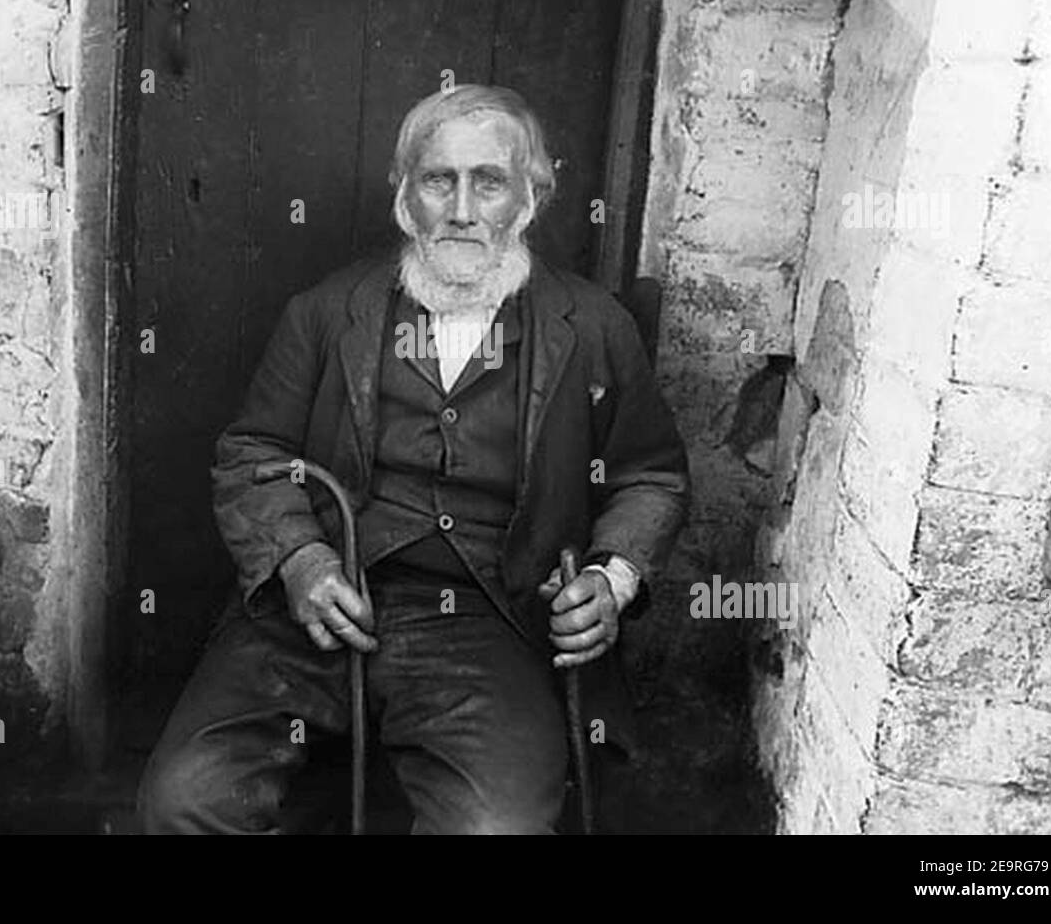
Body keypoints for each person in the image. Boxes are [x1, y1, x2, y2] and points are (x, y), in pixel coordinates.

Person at [138, 85, 690, 834]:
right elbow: (252, 453)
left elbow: (649, 473)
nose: (462, 208)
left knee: (494, 830)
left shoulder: (591, 326)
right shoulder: (331, 311)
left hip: (493, 619)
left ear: (530, 197)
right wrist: (300, 561)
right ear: (405, 196)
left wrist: (611, 576)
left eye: (489, 181)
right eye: (438, 180)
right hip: (329, 599)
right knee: (182, 800)